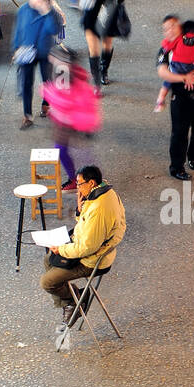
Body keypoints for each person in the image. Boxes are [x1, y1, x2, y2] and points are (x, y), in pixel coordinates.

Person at [41, 165, 127, 309]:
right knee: (48, 259)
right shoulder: (105, 193)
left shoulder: (99, 208)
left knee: (47, 282)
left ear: (91, 183)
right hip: (90, 248)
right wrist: (80, 209)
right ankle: (71, 302)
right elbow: (88, 226)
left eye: (80, 184)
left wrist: (61, 250)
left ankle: (76, 300)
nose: (78, 188)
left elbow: (87, 247)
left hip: (93, 260)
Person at [157, 18, 194, 179]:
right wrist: (185, 78)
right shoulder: (165, 49)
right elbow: (162, 72)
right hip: (179, 94)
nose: (171, 30)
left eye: (174, 26)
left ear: (181, 27)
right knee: (179, 132)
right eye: (167, 28)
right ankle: (176, 167)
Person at [41, 43, 102, 191]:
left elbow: (64, 98)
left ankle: (83, 182)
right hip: (73, 116)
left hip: (67, 118)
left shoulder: (61, 70)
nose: (50, 57)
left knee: (63, 149)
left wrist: (47, 93)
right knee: (75, 149)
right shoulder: (68, 69)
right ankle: (88, 180)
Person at [13, 0, 65, 128]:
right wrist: (15, 48)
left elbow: (54, 30)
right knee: (26, 83)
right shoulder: (23, 10)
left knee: (47, 81)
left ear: (47, 1)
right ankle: (27, 115)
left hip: (44, 52)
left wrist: (47, 12)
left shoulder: (51, 13)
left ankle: (45, 105)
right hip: (26, 53)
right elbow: (18, 31)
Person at [78, 0, 127, 89]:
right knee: (93, 49)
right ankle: (97, 82)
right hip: (91, 16)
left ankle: (104, 70)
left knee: (107, 45)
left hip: (109, 14)